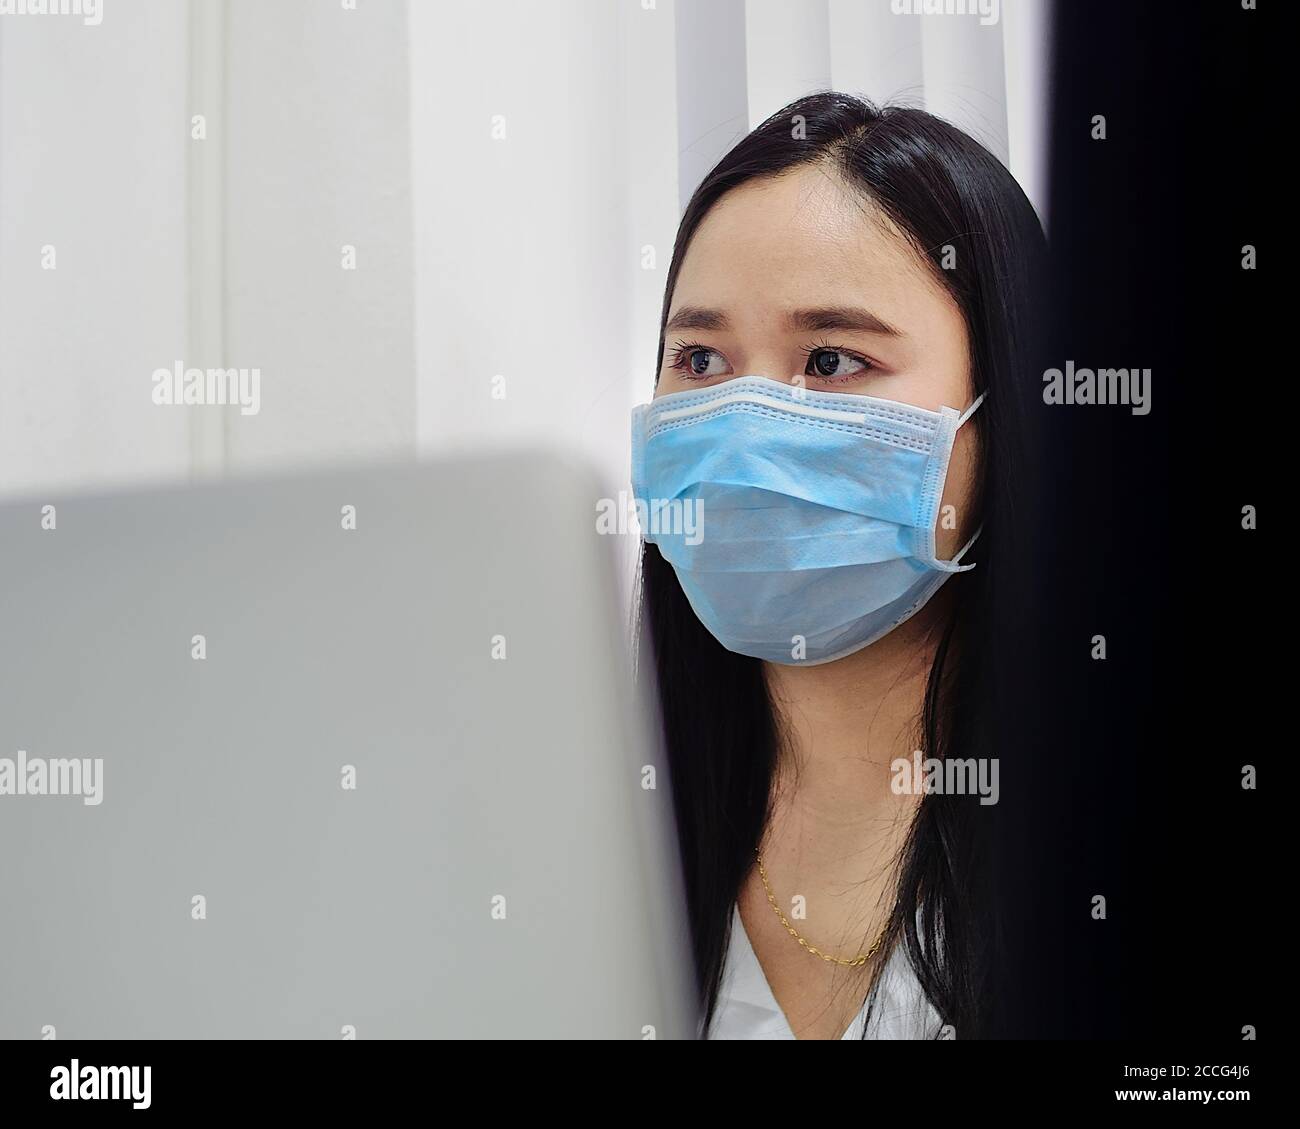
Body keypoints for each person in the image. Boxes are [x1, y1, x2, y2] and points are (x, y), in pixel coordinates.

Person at [632, 91, 1048, 1039]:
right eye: (698, 359)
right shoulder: (604, 843)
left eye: (830, 358)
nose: (742, 430)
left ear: (1000, 406)